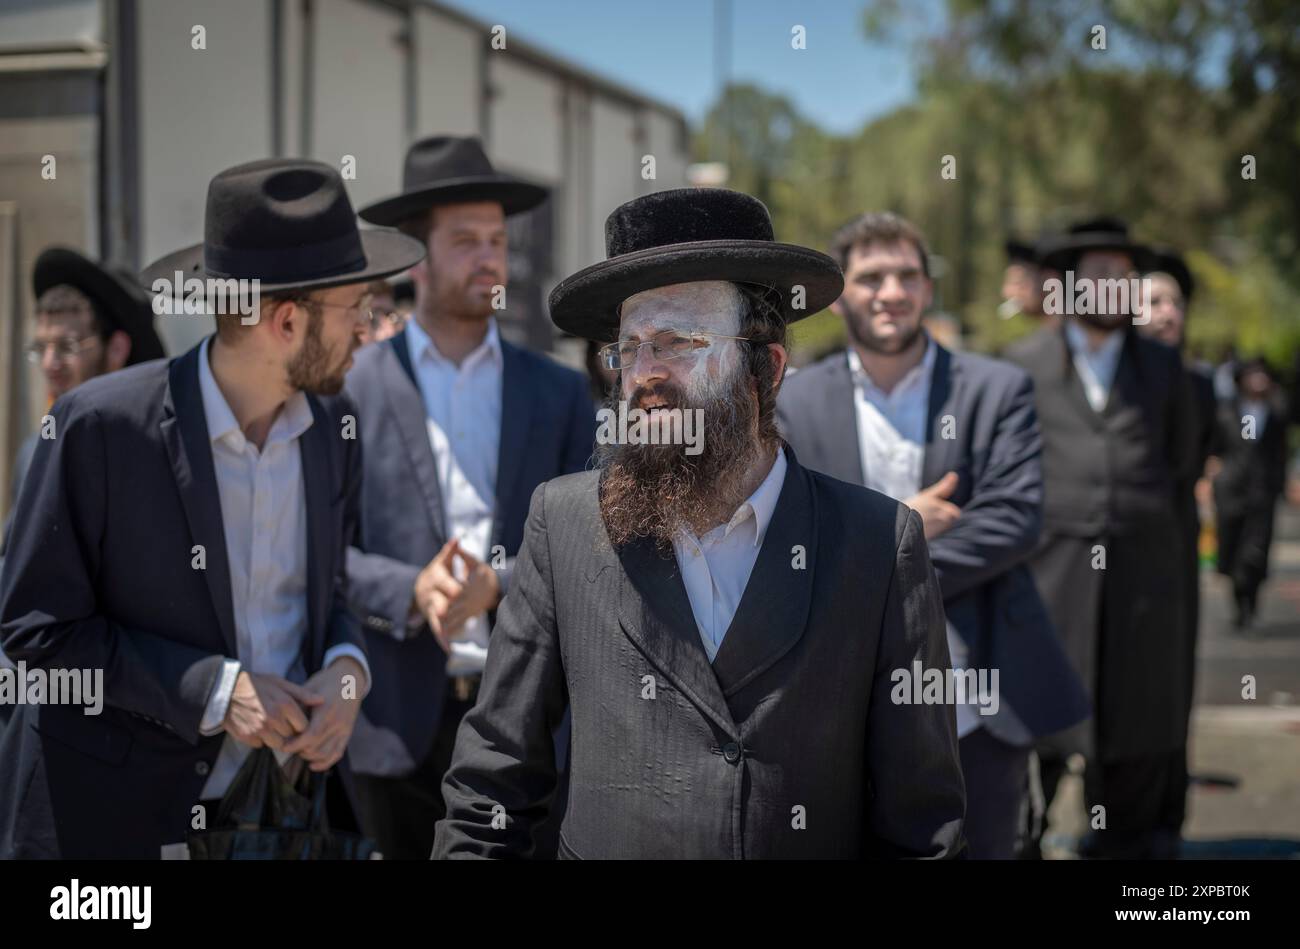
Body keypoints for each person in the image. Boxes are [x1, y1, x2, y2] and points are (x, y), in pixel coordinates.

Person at [432, 187, 966, 859]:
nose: (645, 375)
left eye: (678, 341)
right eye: (628, 349)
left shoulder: (877, 545)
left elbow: (922, 829)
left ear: (764, 370)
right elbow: (491, 790)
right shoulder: (564, 523)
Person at [0, 158, 424, 858]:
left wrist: (349, 670)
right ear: (287, 322)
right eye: (359, 309)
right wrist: (215, 689)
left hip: (280, 824)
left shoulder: (332, 429)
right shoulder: (100, 428)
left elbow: (334, 588)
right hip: (116, 836)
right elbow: (36, 632)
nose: (369, 331)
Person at [778, 212, 1088, 858]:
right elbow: (785, 536)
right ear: (838, 297)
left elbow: (1014, 519)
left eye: (907, 275)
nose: (891, 290)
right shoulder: (794, 402)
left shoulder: (996, 389)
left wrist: (860, 558)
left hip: (978, 700)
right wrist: (903, 521)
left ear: (926, 287)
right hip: (844, 701)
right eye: (871, 277)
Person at [343, 135, 594, 859]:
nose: (491, 257)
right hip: (393, 722)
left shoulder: (557, 389)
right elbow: (321, 554)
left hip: (528, 716)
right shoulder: (353, 387)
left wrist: (501, 584)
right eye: (466, 242)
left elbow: (593, 540)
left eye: (497, 240)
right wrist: (410, 587)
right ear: (416, 257)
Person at [1005, 216, 1194, 859]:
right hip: (1047, 582)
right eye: (1099, 275)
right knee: (1033, 745)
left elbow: (1181, 465)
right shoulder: (1019, 367)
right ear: (1070, 285)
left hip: (1145, 589)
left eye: (1124, 275)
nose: (1114, 287)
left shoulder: (1167, 371)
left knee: (1135, 741)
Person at [1139, 247, 1217, 845]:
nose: (1167, 313)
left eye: (1175, 303)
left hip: (1176, 550)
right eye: (1154, 302)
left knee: (1174, 683)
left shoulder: (1196, 383)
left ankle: (1169, 814)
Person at [1212, 358, 1290, 629]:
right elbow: (1213, 448)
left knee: (1255, 552)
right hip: (1231, 490)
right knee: (1233, 550)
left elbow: (1281, 453)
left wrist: (1283, 484)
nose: (1258, 380)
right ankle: (1239, 606)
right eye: (1252, 374)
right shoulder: (1225, 412)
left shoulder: (1276, 412)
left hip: (1262, 492)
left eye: (1263, 375)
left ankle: (1251, 608)